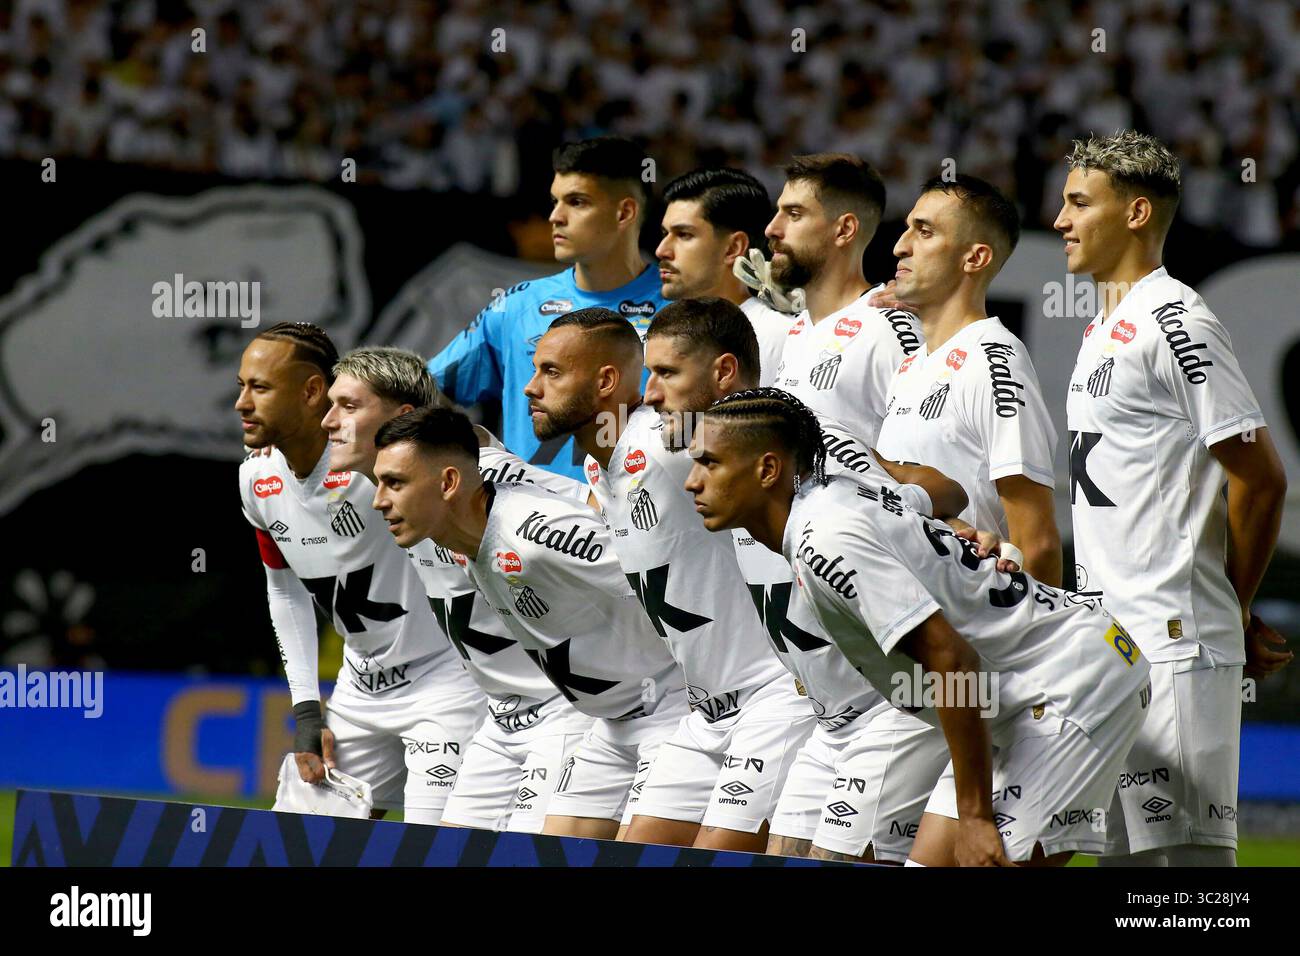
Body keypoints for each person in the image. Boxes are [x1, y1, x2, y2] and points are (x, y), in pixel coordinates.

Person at [686, 388, 1153, 866]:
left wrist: (974, 817)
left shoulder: (824, 538)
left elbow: (951, 659)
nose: (691, 482)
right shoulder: (830, 502)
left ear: (767, 470)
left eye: (710, 464)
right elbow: (940, 505)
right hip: (1010, 698)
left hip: (1070, 687)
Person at [641, 297, 975, 863]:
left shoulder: (814, 448)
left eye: (667, 374)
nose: (649, 395)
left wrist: (932, 520)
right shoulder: (700, 458)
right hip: (823, 717)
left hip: (887, 709)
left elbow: (944, 489)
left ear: (722, 373)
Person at [1054, 130, 1290, 866]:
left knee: (1184, 877)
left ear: (1135, 212)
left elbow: (1261, 476)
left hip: (1173, 638)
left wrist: (1234, 607)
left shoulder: (1176, 319)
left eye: (1078, 203)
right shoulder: (1100, 329)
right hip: (1113, 644)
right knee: (1130, 864)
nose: (1060, 220)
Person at [524, 305, 813, 853]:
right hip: (700, 713)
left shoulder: (670, 442)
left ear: (607, 381)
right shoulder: (597, 466)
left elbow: (761, 425)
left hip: (773, 696)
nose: (531, 388)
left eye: (552, 373)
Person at [372, 405, 689, 839]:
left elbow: (653, 580)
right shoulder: (464, 538)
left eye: (395, 483)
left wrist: (712, 682)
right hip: (609, 724)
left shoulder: (538, 535)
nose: (378, 501)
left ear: (448, 483)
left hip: (669, 706)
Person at [322, 345, 595, 833]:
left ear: (404, 418)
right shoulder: (390, 486)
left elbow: (593, 519)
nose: (328, 421)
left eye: (348, 406)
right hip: (500, 716)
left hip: (565, 709)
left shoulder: (485, 478)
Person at [236, 325, 484, 824]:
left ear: (310, 392)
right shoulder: (255, 479)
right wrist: (308, 711)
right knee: (298, 848)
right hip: (359, 688)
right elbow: (284, 592)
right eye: (240, 386)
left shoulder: (380, 460)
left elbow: (460, 454)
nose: (242, 403)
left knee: (434, 850)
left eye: (259, 388)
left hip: (447, 680)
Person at [428, 136, 668, 480]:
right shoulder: (517, 304)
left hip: (645, 525)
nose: (555, 216)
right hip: (534, 529)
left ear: (624, 212)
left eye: (576, 202)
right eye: (555, 201)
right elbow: (428, 389)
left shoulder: (680, 310)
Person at [876, 174, 1062, 584]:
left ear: (974, 258)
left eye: (924, 232)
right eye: (908, 228)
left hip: (974, 637)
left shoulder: (994, 358)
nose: (900, 246)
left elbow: (1038, 544)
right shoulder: (912, 364)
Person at [764, 153, 922, 475]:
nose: (772, 229)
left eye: (794, 214)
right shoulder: (797, 327)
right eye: (778, 212)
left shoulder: (890, 328)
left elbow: (929, 476)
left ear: (844, 229)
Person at [655, 167, 794, 384]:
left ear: (732, 248)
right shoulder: (661, 333)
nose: (661, 250)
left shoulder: (778, 336)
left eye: (684, 235)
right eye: (665, 234)